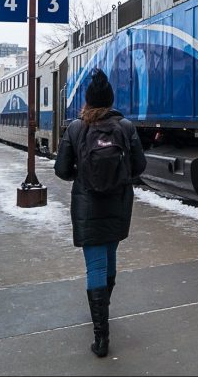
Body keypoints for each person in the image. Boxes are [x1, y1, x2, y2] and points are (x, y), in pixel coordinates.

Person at [55, 68, 147, 358]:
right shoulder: (126, 127)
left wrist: (83, 177)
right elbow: (140, 166)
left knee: (95, 266)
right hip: (118, 203)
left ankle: (101, 336)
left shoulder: (75, 128)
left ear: (87, 101)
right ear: (109, 100)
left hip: (88, 205)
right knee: (109, 260)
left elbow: (61, 170)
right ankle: (102, 311)